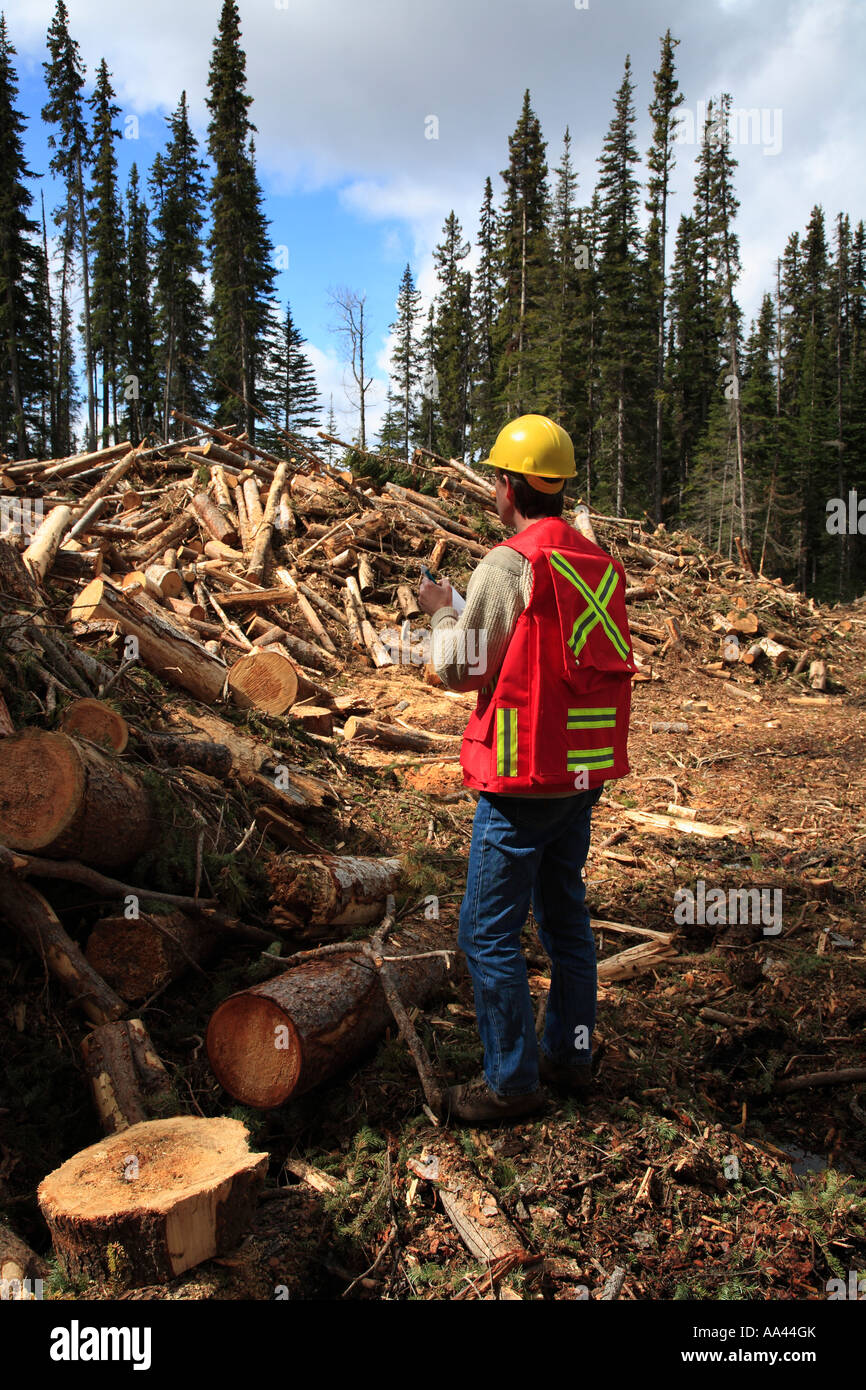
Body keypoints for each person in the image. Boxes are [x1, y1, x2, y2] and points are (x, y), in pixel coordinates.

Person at [417, 414, 635, 1124]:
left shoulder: (508, 563)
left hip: (521, 778)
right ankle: (570, 1055)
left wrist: (437, 616)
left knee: (486, 931)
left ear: (508, 485)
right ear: (561, 488)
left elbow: (461, 665)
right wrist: (466, 608)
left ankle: (510, 1083)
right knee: (566, 919)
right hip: (583, 774)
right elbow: (544, 645)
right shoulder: (596, 564)